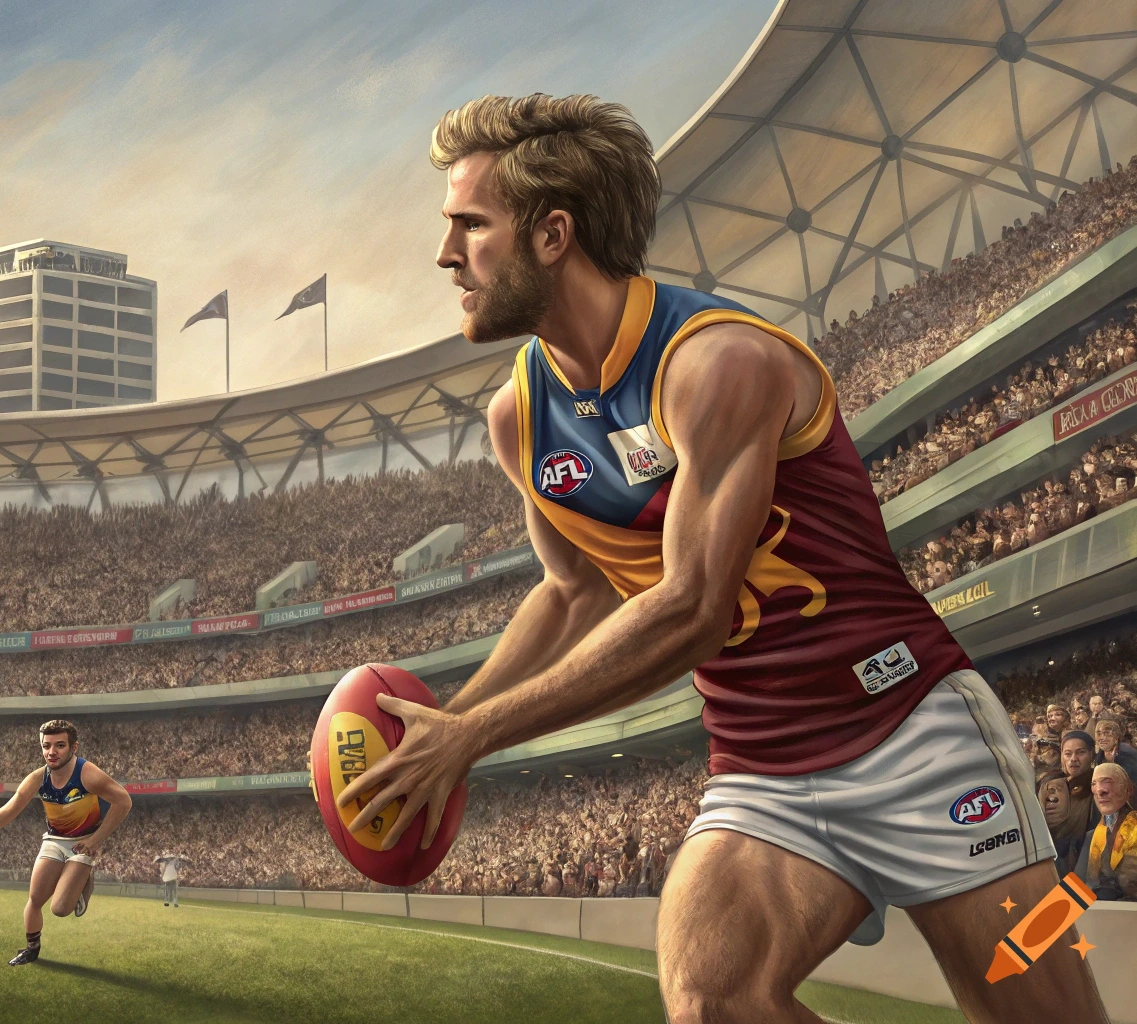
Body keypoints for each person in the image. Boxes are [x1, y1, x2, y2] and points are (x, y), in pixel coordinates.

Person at [335, 93, 1110, 1022]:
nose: (445, 253)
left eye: (469, 224)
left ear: (551, 235)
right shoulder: (520, 416)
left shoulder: (718, 361)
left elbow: (693, 606)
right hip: (760, 769)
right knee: (712, 1003)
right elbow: (571, 591)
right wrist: (445, 724)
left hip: (913, 729)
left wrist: (476, 735)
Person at [0, 719, 132, 965]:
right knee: (35, 899)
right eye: (46, 746)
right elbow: (10, 809)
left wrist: (95, 840)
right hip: (54, 839)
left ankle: (85, 879)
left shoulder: (87, 774)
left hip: (82, 842)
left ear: (74, 747)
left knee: (60, 909)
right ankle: (31, 949)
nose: (51, 752)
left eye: (60, 745)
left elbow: (124, 801)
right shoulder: (38, 777)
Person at [1076, 763, 1137, 901]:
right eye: (1094, 784)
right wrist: (1050, 915)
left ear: (1128, 790)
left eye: (1107, 781)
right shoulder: (1092, 837)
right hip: (1097, 911)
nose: (1099, 790)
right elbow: (1077, 887)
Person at [1037, 769, 1095, 876]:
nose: (1050, 798)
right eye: (1045, 791)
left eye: (1056, 789)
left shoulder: (1086, 840)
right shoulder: (1035, 844)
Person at [1094, 715, 1137, 780]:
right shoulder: (1100, 753)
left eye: (1107, 734)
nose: (1102, 738)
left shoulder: (1126, 754)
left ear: (1116, 737)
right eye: (1099, 734)